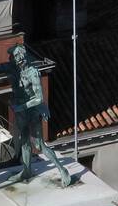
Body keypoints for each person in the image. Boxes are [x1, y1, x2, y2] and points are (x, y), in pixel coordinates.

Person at [7, 45, 71, 188]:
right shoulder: (14, 70)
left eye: (21, 56)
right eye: (17, 57)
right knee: (24, 141)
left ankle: (62, 170)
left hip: (32, 112)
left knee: (39, 145)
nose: (20, 59)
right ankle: (27, 170)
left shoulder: (33, 73)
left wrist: (21, 107)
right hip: (21, 113)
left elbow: (39, 98)